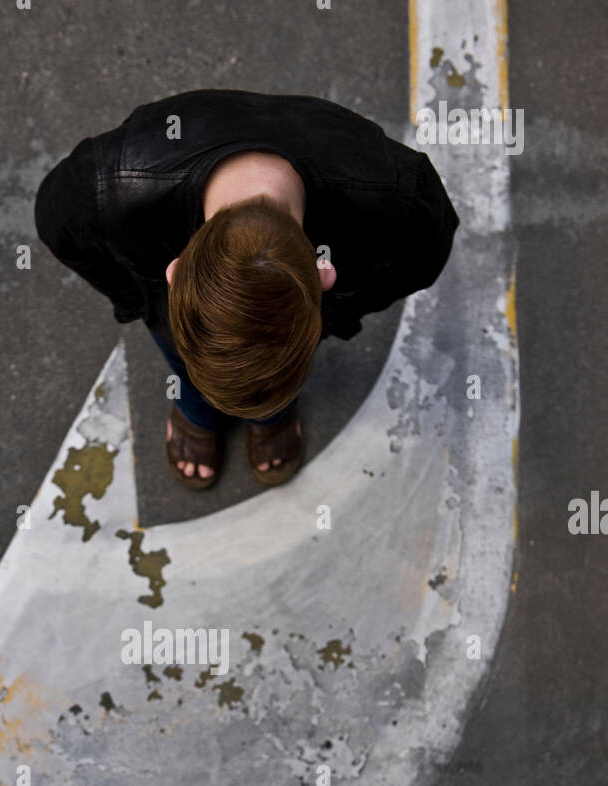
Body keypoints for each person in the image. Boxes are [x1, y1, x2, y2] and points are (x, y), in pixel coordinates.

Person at [34, 89, 459, 490]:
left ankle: (248, 413)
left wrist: (343, 314)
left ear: (176, 271)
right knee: (205, 361)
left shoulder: (397, 197)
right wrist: (138, 303)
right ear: (325, 276)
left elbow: (427, 252)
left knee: (214, 362)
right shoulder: (110, 185)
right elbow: (57, 223)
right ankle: (221, 411)